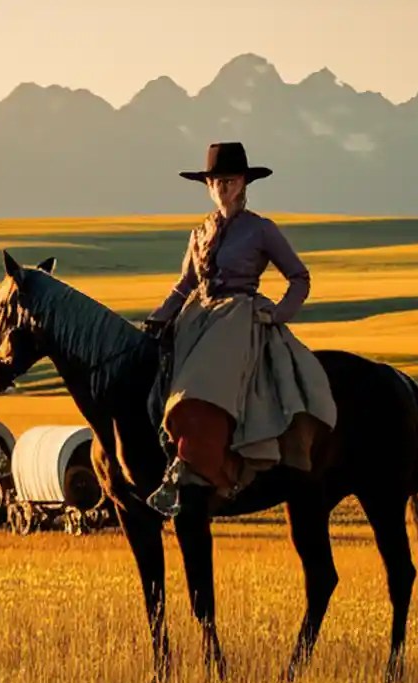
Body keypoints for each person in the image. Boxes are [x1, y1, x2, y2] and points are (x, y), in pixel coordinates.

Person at [143, 142, 337, 516]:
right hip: (195, 314)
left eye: (230, 180)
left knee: (200, 383)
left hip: (237, 317)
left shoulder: (261, 230)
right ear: (208, 186)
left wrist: (279, 314)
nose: (223, 187)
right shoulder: (199, 232)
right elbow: (184, 286)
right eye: (216, 181)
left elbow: (299, 277)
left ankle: (213, 466)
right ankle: (163, 457)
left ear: (245, 183)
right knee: (158, 377)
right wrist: (157, 318)